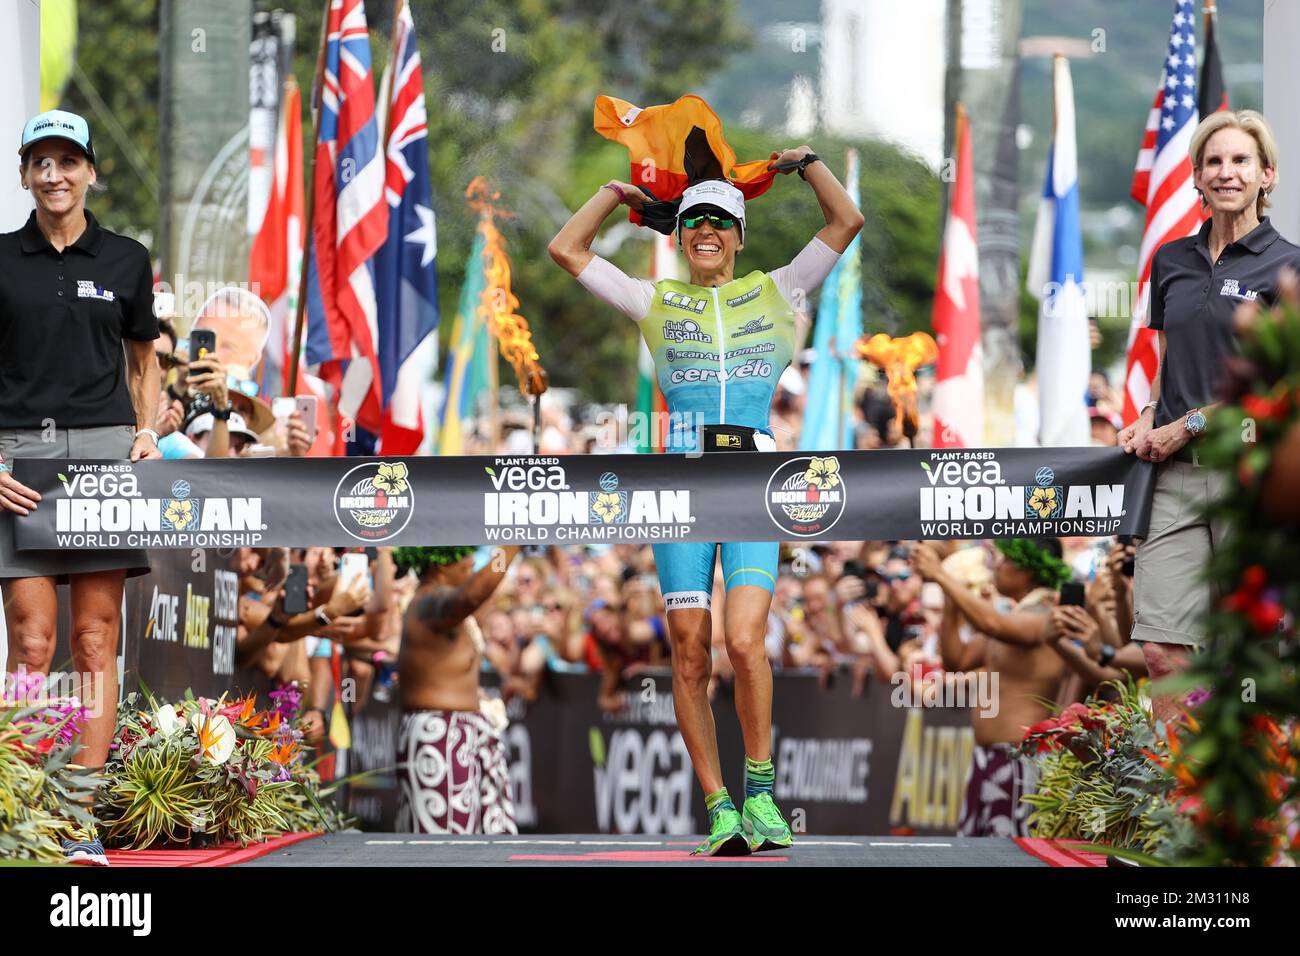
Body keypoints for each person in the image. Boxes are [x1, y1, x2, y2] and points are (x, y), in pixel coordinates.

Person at [550, 145, 864, 854]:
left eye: (720, 222)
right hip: (681, 485)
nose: (706, 232)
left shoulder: (781, 287)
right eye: (694, 223)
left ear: (739, 234)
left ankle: (760, 792)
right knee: (689, 651)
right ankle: (717, 805)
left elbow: (846, 218)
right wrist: (614, 192)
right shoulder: (656, 299)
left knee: (746, 641)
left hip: (754, 480)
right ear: (680, 234)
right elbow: (567, 249)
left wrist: (805, 163)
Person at [0, 112, 162, 866]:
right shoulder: (0, 259)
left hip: (102, 454)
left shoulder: (128, 259)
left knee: (95, 643)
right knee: (31, 644)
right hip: (17, 459)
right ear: (25, 174)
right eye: (41, 162)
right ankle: (24, 810)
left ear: (91, 170)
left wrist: (147, 431)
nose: (55, 174)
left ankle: (78, 824)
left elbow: (144, 361)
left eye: (68, 160)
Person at [1117, 109, 1300, 722]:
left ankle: (1257, 806)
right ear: (1196, 176)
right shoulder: (1171, 260)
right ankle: (1181, 802)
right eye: (1214, 161)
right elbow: (1169, 361)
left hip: (1251, 474)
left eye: (1241, 160)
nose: (1227, 172)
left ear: (1266, 174)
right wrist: (1149, 414)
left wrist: (1187, 424)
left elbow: (1278, 386)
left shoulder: (1289, 265)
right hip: (1174, 477)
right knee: (1163, 649)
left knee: (1252, 653)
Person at [912, 539, 1069, 837]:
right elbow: (957, 660)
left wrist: (942, 575)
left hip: (1023, 760)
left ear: (1029, 570)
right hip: (988, 758)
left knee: (1009, 857)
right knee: (974, 857)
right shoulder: (1011, 615)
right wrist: (950, 599)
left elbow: (994, 625)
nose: (996, 566)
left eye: (1005, 560)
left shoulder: (1050, 614)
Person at [394, 546, 521, 835]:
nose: (471, 562)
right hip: (438, 737)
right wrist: (512, 546)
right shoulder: (428, 603)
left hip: (469, 732)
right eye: (463, 556)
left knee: (494, 845)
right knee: (446, 852)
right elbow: (470, 597)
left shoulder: (442, 609)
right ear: (439, 567)